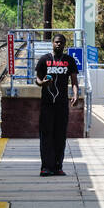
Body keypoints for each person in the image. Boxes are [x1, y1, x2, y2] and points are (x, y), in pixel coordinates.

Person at [34, 33, 80, 176]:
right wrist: (42, 83)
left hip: (61, 105)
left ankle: (57, 167)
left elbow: (74, 81)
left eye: (61, 42)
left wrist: (76, 94)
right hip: (47, 104)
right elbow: (37, 79)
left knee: (60, 136)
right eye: (56, 42)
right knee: (46, 135)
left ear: (64, 44)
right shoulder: (44, 60)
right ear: (52, 43)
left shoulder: (69, 60)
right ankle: (46, 167)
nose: (58, 44)